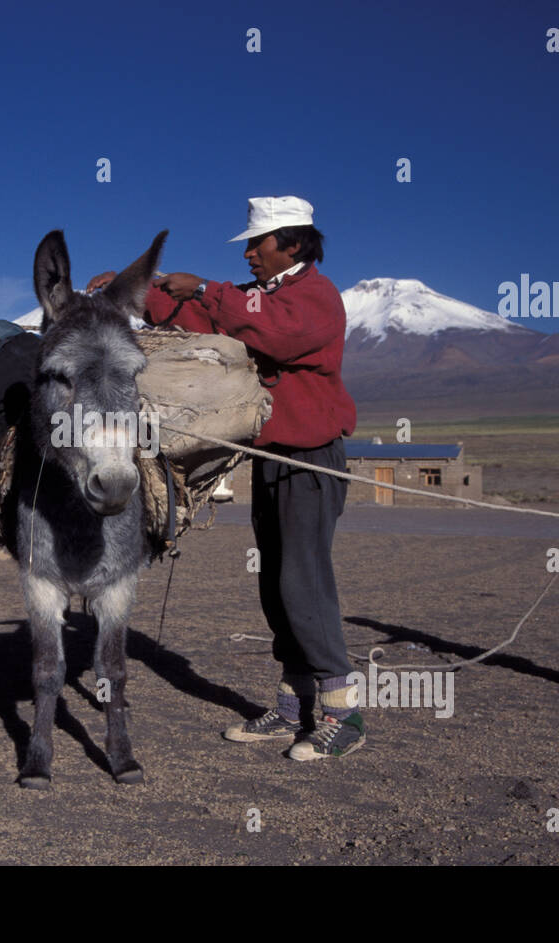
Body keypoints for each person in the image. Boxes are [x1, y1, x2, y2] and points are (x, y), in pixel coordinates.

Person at [88, 195, 361, 760]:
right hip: (275, 459)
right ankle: (292, 709)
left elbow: (275, 333)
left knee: (303, 582)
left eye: (257, 245)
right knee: (277, 586)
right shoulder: (260, 298)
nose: (251, 256)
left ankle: (342, 712)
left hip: (310, 460)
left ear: (291, 241)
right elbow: (207, 321)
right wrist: (137, 291)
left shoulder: (315, 297)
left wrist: (208, 288)